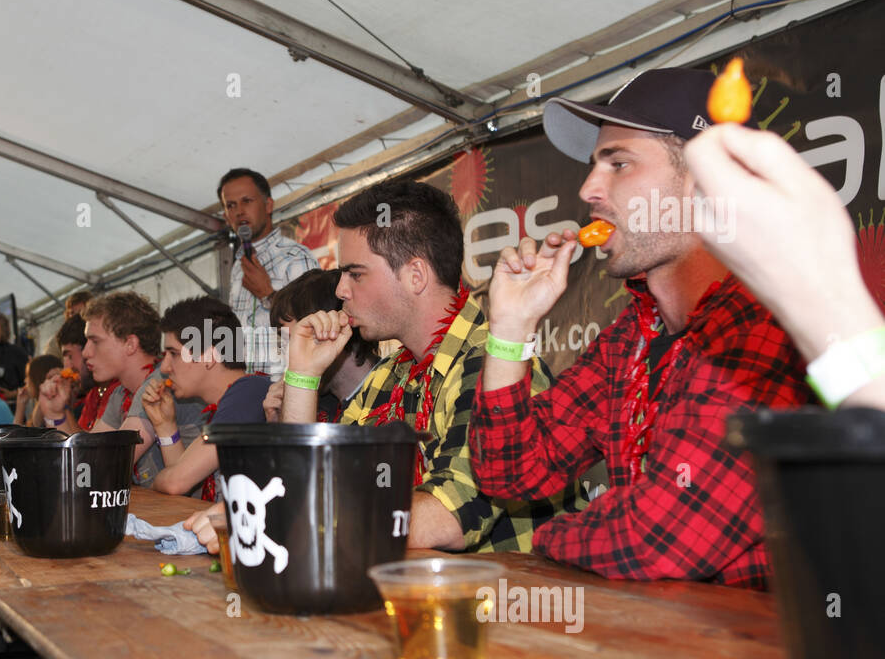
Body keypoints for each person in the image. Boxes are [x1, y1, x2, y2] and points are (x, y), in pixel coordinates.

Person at [469, 67, 810, 589]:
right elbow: (510, 471)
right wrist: (511, 328)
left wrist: (547, 540)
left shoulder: (764, 321)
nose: (588, 189)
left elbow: (656, 544)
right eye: (593, 166)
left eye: (619, 164)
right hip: (669, 654)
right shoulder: (632, 336)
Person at [267, 178, 582, 552]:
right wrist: (303, 377)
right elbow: (310, 481)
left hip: (514, 605)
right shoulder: (390, 375)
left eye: (355, 273)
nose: (340, 291)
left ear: (415, 276)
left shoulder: (496, 364)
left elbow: (445, 520)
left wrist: (296, 520)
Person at [684, 122, 885, 410]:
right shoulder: (631, 330)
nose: (593, 188)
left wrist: (815, 290)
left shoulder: (749, 322)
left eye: (620, 164)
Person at [37, 291, 207, 488]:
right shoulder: (121, 392)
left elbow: (99, 468)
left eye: (95, 341)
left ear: (130, 344)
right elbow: (84, 455)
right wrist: (56, 415)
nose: (85, 353)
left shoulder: (159, 384)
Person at [140, 297, 272, 497]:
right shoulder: (230, 402)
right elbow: (182, 477)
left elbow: (176, 482)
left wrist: (152, 486)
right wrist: (164, 426)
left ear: (210, 356)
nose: (165, 368)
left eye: (173, 354)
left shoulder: (250, 391)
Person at [218, 167, 320, 375]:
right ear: (226, 216)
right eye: (231, 205)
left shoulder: (295, 257)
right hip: (247, 386)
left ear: (268, 205)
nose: (239, 212)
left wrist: (268, 294)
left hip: (287, 386)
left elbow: (316, 328)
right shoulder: (238, 266)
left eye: (247, 201)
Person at [262, 269, 379, 423]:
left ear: (334, 326)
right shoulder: (320, 407)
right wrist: (282, 421)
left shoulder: (394, 393)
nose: (290, 356)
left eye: (294, 341)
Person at [56, 314, 111, 430]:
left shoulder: (115, 389)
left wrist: (62, 409)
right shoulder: (94, 392)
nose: (67, 367)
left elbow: (93, 446)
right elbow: (82, 441)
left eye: (70, 356)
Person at [44, 290, 95, 358]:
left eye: (81, 312)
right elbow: (49, 364)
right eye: (72, 313)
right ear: (67, 315)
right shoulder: (57, 341)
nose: (77, 316)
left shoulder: (99, 333)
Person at [14, 354, 62, 426]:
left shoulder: (49, 407)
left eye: (28, 376)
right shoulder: (39, 406)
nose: (25, 381)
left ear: (38, 379)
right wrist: (20, 406)